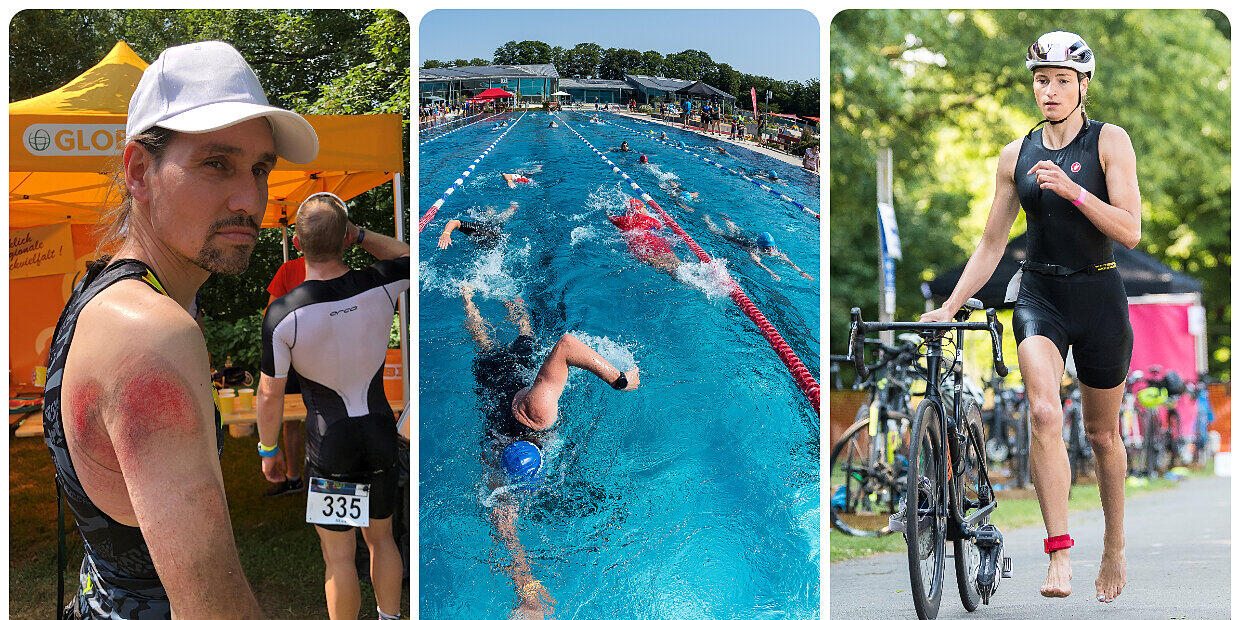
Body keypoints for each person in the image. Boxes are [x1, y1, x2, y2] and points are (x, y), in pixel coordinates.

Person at [42, 40, 318, 618]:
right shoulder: (152, 330)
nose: (250, 199)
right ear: (139, 171)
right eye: (216, 163)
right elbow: (211, 606)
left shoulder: (108, 292)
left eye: (260, 168)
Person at [919, 32, 1139, 604]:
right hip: (1039, 295)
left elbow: (1131, 230)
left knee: (1103, 436)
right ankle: (1059, 553)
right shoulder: (1015, 156)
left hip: (1099, 295)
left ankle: (1114, 546)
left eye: (1062, 79)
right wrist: (948, 306)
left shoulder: (1110, 142)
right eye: (1041, 79)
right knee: (1043, 410)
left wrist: (1074, 192)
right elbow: (992, 244)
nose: (1049, 89)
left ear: (1083, 84)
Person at [257, 193, 410, 620]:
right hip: (380, 434)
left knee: (339, 559)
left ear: (298, 244)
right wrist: (360, 234)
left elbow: (270, 393)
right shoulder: (380, 282)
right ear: (346, 238)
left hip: (331, 448)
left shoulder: (283, 314)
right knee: (382, 540)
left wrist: (268, 450)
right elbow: (410, 255)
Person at [460, 286, 639, 619]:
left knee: (523, 334)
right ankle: (468, 299)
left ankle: (485, 296)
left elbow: (568, 345)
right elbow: (506, 531)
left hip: (513, 377)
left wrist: (619, 379)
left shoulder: (539, 412)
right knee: (484, 344)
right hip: (493, 389)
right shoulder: (495, 465)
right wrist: (526, 591)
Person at [263, 245, 309, 497]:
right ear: (296, 240)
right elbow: (271, 316)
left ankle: (319, 479)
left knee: (325, 417)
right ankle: (294, 478)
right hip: (293, 358)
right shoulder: (288, 270)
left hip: (325, 359)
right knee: (291, 419)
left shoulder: (339, 267)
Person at [703, 215, 813, 281]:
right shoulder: (753, 251)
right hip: (740, 243)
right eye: (767, 249)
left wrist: (801, 272)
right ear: (761, 247)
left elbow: (789, 262)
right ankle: (707, 220)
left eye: (771, 248)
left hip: (747, 239)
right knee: (720, 233)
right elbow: (759, 263)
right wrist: (771, 272)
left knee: (736, 231)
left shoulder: (775, 252)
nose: (770, 251)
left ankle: (728, 221)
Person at [607, 198, 681, 273]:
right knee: (677, 264)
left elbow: (610, 217)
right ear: (640, 209)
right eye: (645, 207)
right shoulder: (650, 220)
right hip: (656, 244)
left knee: (666, 269)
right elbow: (659, 226)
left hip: (641, 249)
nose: (647, 210)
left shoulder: (623, 220)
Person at [438, 202, 519, 250]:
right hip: (485, 230)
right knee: (495, 218)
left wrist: (446, 233)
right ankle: (492, 209)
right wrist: (446, 233)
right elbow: (453, 222)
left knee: (499, 218)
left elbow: (454, 222)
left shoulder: (488, 235)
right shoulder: (478, 231)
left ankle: (511, 208)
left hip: (492, 230)